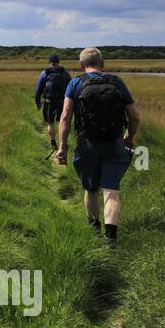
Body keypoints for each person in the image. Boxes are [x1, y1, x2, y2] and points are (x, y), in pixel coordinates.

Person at [55, 48, 142, 248]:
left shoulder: (75, 83)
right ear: (103, 63)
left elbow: (66, 117)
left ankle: (94, 233)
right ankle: (111, 240)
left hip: (87, 145)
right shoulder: (116, 81)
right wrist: (129, 138)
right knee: (111, 192)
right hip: (115, 143)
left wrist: (62, 147)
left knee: (91, 189)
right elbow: (135, 117)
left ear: (81, 65)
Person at [34, 54, 71, 150]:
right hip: (62, 101)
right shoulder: (64, 72)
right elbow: (70, 86)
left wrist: (37, 102)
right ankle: (62, 143)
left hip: (48, 101)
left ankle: (53, 142)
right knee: (61, 121)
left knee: (50, 123)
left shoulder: (45, 73)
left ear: (49, 62)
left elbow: (38, 88)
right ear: (58, 62)